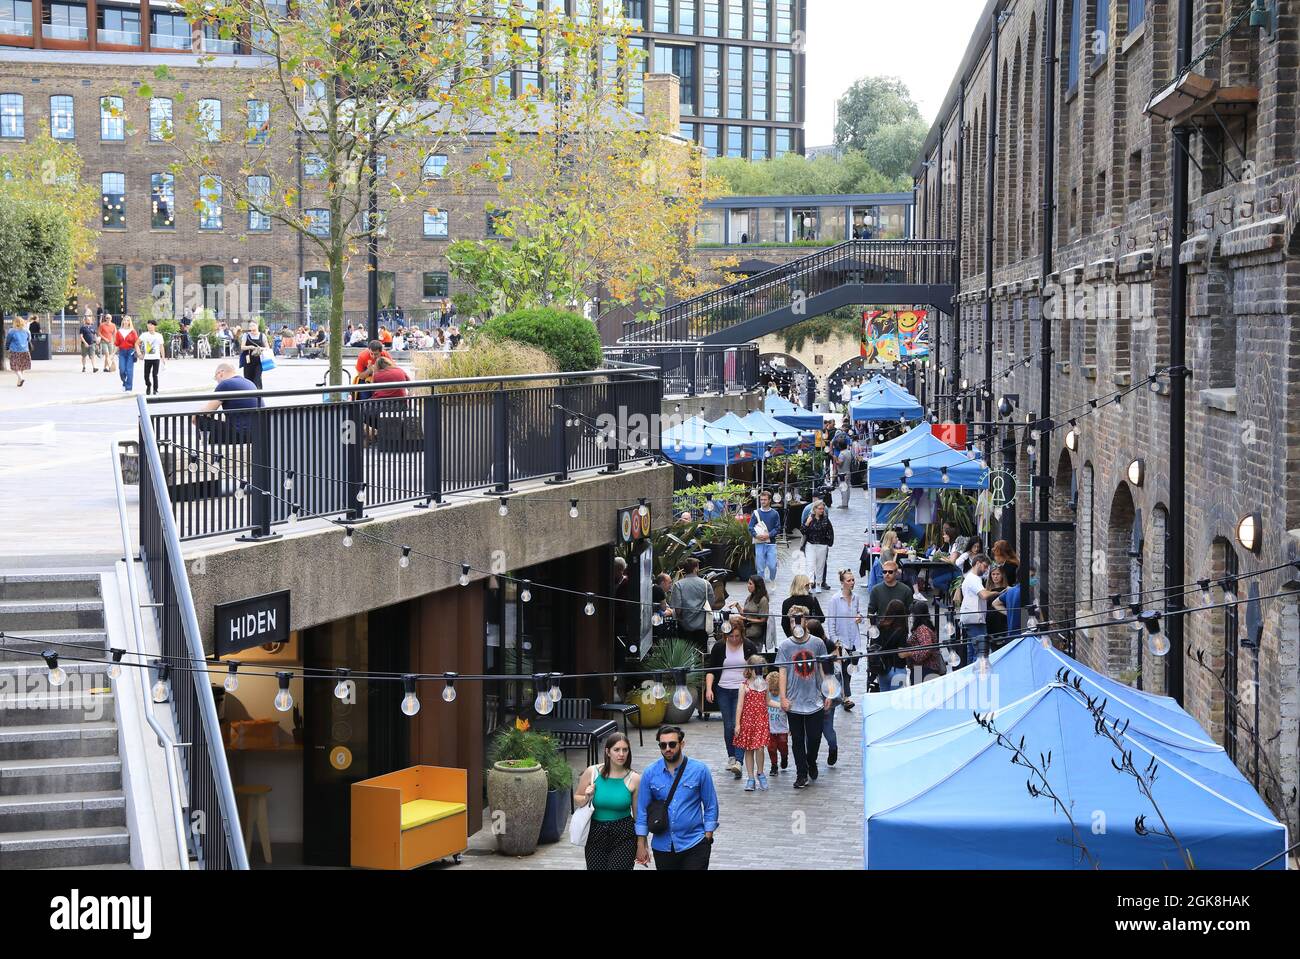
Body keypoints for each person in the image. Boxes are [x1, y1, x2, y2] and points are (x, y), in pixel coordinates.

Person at [635, 726, 718, 870]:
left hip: (695, 843)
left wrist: (708, 835)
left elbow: (711, 805)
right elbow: (642, 810)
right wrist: (641, 844)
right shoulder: (650, 773)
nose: (668, 748)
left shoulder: (699, 770)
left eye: (672, 744)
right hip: (663, 846)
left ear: (682, 744)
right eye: (663, 745)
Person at [777, 608, 831, 789]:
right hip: (794, 701)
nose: (796, 624)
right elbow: (782, 672)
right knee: (797, 740)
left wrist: (828, 692)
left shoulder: (817, 644)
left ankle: (811, 761)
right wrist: (783, 697)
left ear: (806, 621)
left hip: (814, 699)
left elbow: (824, 670)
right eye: (793, 621)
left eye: (799, 620)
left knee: (815, 737)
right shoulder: (785, 646)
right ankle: (801, 774)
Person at [573, 732, 640, 871]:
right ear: (607, 752)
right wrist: (586, 797)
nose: (621, 754)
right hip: (595, 832)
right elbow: (577, 799)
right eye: (617, 750)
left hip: (624, 834)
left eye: (625, 750)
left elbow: (638, 816)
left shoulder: (634, 778)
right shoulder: (592, 772)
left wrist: (641, 843)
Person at [704, 615, 758, 779]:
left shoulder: (748, 646)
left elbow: (756, 668)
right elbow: (711, 670)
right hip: (723, 689)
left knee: (738, 724)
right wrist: (708, 689)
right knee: (728, 725)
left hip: (742, 689)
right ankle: (732, 756)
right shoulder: (720, 647)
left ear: (742, 634)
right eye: (731, 636)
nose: (734, 639)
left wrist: (754, 686)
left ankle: (739, 762)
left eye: (737, 636)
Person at [191, 363, 265, 444]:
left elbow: (207, 412)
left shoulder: (225, 384)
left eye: (216, 378)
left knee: (200, 420)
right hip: (257, 433)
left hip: (241, 435)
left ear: (220, 373)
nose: (217, 382)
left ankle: (209, 447)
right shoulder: (249, 383)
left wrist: (195, 415)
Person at [825, 568, 864, 709]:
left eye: (853, 580)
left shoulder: (856, 598)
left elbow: (859, 614)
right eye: (849, 580)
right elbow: (831, 622)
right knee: (842, 670)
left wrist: (861, 618)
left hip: (854, 640)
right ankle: (845, 697)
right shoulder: (835, 599)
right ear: (842, 582)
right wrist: (835, 643)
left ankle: (842, 694)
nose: (852, 582)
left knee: (850, 669)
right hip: (841, 642)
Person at [734, 656, 772, 792]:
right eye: (756, 669)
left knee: (760, 748)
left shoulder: (764, 685)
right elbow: (739, 706)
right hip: (748, 722)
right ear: (750, 669)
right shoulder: (744, 686)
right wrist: (737, 724)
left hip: (761, 721)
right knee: (748, 750)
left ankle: (760, 773)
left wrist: (782, 705)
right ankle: (750, 778)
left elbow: (768, 702)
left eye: (761, 669)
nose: (759, 672)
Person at [960, 554, 1001, 664]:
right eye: (985, 566)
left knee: (972, 651)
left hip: (970, 618)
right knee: (981, 652)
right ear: (977, 563)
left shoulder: (970, 577)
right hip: (975, 619)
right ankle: (977, 677)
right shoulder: (974, 579)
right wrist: (998, 592)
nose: (986, 569)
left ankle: (971, 676)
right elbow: (984, 595)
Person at [669, 558, 711, 652]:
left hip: (684, 626)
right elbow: (711, 603)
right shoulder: (705, 584)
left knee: (685, 654)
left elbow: (678, 609)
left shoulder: (678, 585)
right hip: (701, 626)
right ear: (696, 568)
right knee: (701, 654)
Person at [902, 599, 944, 680]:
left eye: (912, 614)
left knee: (918, 692)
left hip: (923, 669)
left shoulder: (922, 629)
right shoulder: (925, 626)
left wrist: (909, 654)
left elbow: (927, 649)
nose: (911, 616)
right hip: (924, 668)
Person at [876, 599, 910, 691]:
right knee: (896, 701)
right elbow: (901, 653)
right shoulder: (901, 629)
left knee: (884, 698)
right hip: (897, 669)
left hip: (883, 669)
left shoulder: (880, 626)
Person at [801, 499, 834, 591]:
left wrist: (828, 542)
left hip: (822, 545)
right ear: (815, 509)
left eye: (822, 509)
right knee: (810, 565)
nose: (821, 510)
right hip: (810, 544)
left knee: (820, 565)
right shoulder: (809, 518)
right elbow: (803, 531)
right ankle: (810, 584)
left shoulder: (826, 520)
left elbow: (830, 531)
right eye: (819, 509)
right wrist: (807, 523)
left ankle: (819, 583)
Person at [867, 559, 913, 624]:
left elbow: (910, 612)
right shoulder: (875, 590)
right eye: (884, 572)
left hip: (900, 629)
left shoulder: (906, 590)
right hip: (881, 628)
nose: (887, 574)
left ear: (896, 573)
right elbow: (871, 612)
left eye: (890, 572)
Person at [748, 490, 780, 583]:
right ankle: (760, 585)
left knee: (772, 566)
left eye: (765, 500)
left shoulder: (774, 513)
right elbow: (750, 527)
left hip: (771, 543)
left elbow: (778, 528)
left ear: (770, 500)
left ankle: (772, 579)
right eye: (761, 499)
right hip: (759, 543)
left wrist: (768, 535)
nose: (763, 501)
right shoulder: (756, 513)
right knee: (760, 567)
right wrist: (756, 535)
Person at [765, 669, 788, 776]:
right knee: (771, 749)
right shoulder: (767, 697)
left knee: (783, 747)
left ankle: (784, 757)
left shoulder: (783, 697)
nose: (773, 692)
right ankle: (774, 765)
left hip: (782, 729)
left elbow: (789, 713)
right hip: (770, 730)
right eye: (772, 690)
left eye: (776, 690)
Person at [735, 575, 769, 648]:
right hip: (745, 632)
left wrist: (747, 620)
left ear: (757, 586)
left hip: (755, 634)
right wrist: (737, 605)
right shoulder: (749, 597)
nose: (748, 586)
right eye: (748, 583)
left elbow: (763, 620)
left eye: (750, 584)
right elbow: (744, 614)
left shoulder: (763, 600)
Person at [139, 319, 166, 396]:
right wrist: (139, 353)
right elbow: (137, 343)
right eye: (148, 324)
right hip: (147, 358)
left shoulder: (159, 335)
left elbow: (161, 347)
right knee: (146, 375)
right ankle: (148, 385)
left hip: (156, 358)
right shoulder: (144, 335)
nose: (149, 326)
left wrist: (163, 358)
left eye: (151, 324)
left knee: (155, 374)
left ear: (154, 326)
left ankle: (155, 389)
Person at [984, 564, 1010, 640]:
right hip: (990, 621)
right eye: (993, 574)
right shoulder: (986, 591)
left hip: (1002, 621)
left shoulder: (1007, 590)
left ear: (1002, 575)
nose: (995, 576)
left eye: (998, 574)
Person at [114, 317, 140, 392]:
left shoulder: (133, 331)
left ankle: (128, 388)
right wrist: (112, 354)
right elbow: (117, 344)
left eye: (128, 320)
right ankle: (124, 383)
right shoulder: (119, 331)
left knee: (129, 370)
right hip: (122, 352)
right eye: (125, 320)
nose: (126, 321)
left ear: (129, 322)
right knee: (122, 370)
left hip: (130, 352)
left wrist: (138, 353)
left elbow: (136, 343)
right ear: (123, 321)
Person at [239, 323, 268, 388]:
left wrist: (260, 348)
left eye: (253, 326)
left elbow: (267, 348)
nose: (251, 329)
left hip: (259, 361)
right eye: (250, 327)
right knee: (248, 379)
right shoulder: (246, 335)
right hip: (248, 360)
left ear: (257, 326)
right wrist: (250, 347)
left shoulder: (262, 335)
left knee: (257, 379)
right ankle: (249, 395)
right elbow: (242, 347)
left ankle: (258, 396)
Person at [4, 317, 31, 387]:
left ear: (15, 323)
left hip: (15, 351)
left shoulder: (12, 331)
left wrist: (7, 347)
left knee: (14, 366)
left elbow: (8, 340)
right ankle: (19, 381)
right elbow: (29, 339)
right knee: (22, 366)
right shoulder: (27, 330)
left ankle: (21, 378)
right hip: (25, 350)